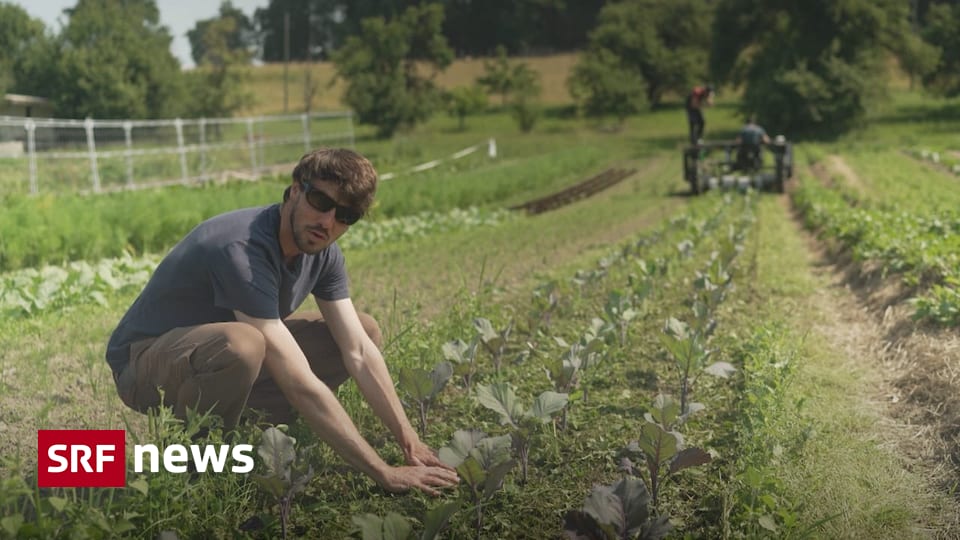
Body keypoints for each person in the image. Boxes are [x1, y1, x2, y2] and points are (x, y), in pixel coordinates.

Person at [106, 147, 459, 496]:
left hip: (216, 363)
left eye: (345, 215)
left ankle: (250, 430)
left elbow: (360, 352)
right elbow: (297, 380)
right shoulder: (241, 247)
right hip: (143, 367)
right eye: (320, 202)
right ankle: (193, 465)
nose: (327, 222)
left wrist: (410, 441)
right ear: (294, 191)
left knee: (364, 330)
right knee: (243, 345)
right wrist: (383, 472)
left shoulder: (324, 254)